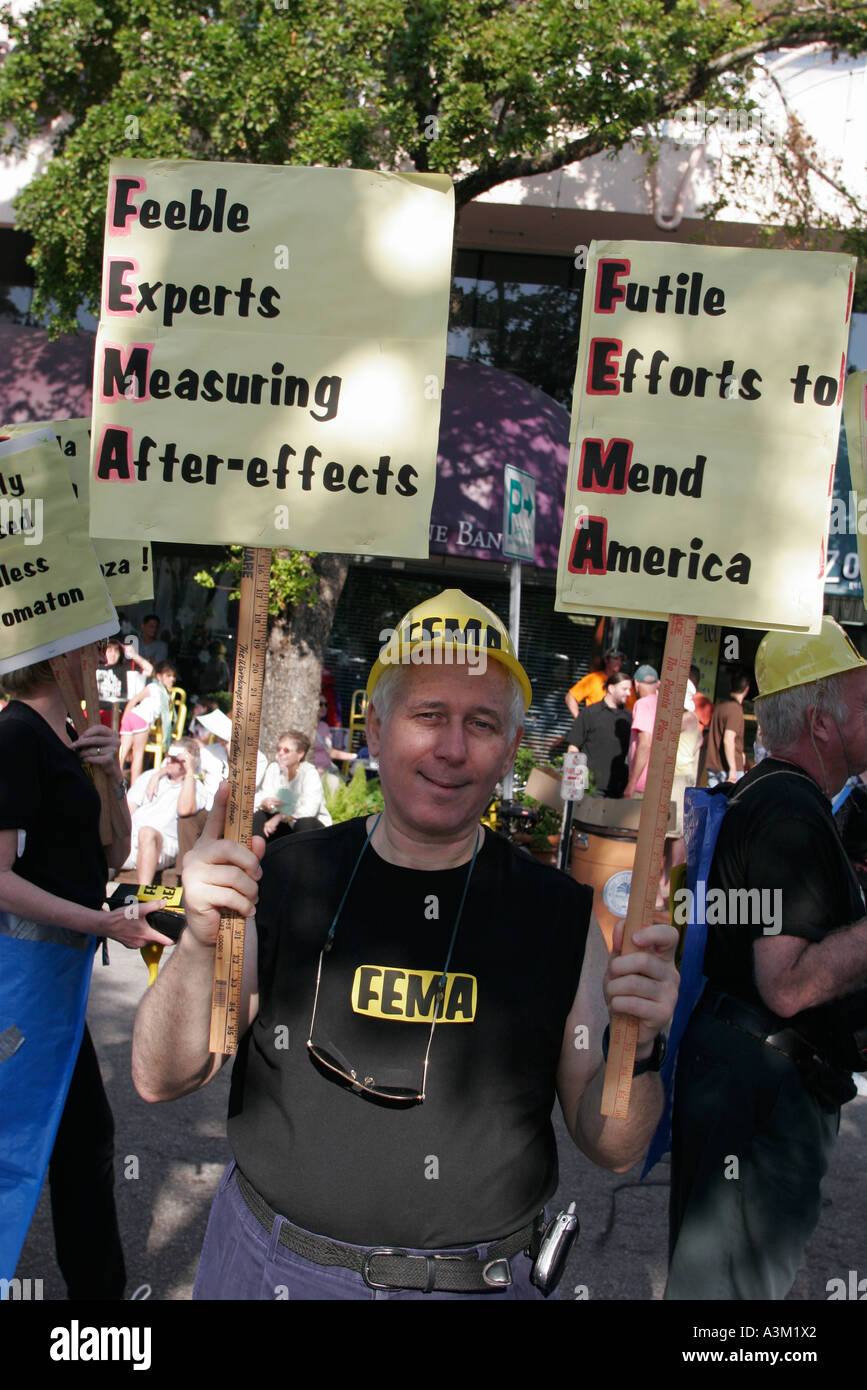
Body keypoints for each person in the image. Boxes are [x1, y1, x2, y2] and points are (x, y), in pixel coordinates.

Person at [132, 589, 678, 1301]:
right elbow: (160, 1078)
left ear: (512, 748)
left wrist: (641, 1044)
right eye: (429, 716)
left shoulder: (561, 917)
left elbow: (613, 1147)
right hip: (268, 1272)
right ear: (378, 729)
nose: (452, 748)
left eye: (481, 723)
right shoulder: (282, 878)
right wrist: (202, 942)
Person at [666, 617, 867, 1301]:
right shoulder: (787, 809)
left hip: (745, 1076)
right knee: (731, 1303)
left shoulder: (773, 793)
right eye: (863, 700)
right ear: (819, 721)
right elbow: (785, 984)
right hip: (764, 1088)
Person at [0, 656, 171, 1296]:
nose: (101, 659)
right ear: (58, 657)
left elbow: (115, 852)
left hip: (53, 984)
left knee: (81, 1143)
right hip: (20, 984)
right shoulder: (16, 735)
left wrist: (111, 778)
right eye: (90, 647)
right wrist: (106, 925)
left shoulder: (68, 737)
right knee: (72, 1143)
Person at [122, 737, 209, 884]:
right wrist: (158, 774)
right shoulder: (150, 776)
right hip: (130, 841)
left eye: (175, 759)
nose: (168, 761)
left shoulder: (195, 787)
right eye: (168, 756)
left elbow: (184, 809)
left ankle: (143, 894)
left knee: (147, 833)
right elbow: (127, 810)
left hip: (161, 844)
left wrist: (190, 772)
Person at [253, 731, 332, 840]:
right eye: (279, 749)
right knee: (259, 816)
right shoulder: (274, 769)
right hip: (283, 825)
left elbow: (309, 810)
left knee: (304, 823)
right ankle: (254, 851)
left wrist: (280, 817)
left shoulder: (309, 773)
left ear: (300, 754)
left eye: (286, 750)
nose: (281, 753)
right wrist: (265, 803)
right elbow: (263, 795)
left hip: (309, 827)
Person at [566, 673, 633, 797]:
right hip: (590, 786)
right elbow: (573, 748)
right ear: (611, 688)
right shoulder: (590, 713)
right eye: (624, 689)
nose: (629, 693)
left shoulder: (629, 718)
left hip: (618, 788)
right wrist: (572, 785)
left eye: (630, 689)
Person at [119, 661, 177, 786]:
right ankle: (133, 788)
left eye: (173, 676)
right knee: (138, 755)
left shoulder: (156, 689)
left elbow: (134, 701)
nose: (172, 679)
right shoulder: (157, 689)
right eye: (168, 676)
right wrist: (164, 737)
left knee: (121, 754)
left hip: (132, 717)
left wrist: (125, 718)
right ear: (159, 676)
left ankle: (112, 783)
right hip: (141, 720)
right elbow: (164, 719)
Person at [704, 671, 749, 788]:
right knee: (731, 805)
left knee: (712, 803)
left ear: (730, 687)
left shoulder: (719, 707)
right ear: (747, 689)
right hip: (728, 770)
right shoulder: (736, 710)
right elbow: (728, 739)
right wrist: (733, 769)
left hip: (714, 766)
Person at [95, 638, 153, 725]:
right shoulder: (95, 667)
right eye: (109, 651)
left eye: (116, 651)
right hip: (96, 711)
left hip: (116, 713)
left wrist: (134, 655)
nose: (113, 654)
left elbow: (149, 670)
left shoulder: (125, 670)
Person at [564, 647, 625, 717]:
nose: (619, 662)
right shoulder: (593, 679)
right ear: (606, 660)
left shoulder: (624, 683)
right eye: (615, 658)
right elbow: (570, 697)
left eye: (621, 660)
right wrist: (579, 721)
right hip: (593, 724)